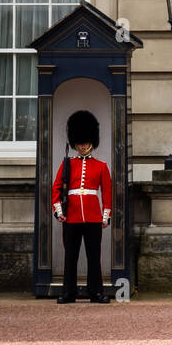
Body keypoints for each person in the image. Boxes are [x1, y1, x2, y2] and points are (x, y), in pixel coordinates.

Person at [52, 109, 112, 304]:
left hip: (93, 217)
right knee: (71, 256)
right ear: (74, 143)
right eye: (79, 142)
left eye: (85, 142)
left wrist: (105, 215)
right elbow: (56, 188)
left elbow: (108, 192)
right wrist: (59, 211)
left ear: (92, 142)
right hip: (71, 216)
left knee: (94, 257)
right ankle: (69, 292)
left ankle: (95, 292)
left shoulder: (101, 166)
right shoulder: (68, 164)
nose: (83, 145)